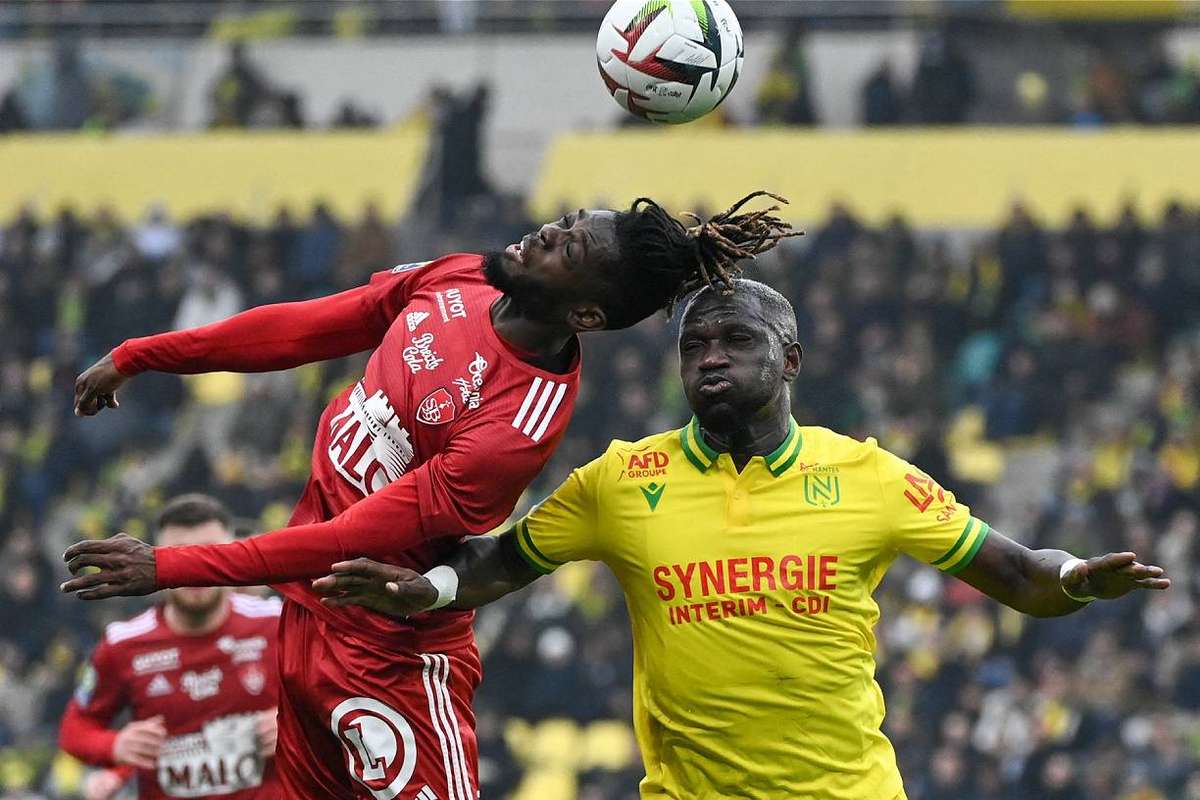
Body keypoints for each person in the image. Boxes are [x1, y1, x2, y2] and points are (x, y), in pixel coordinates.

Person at [309, 280, 1170, 800]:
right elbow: (503, 559)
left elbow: (1019, 573)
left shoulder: (867, 475)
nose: (711, 357)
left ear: (790, 360)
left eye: (736, 340)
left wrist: (1076, 579)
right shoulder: (622, 480)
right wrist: (429, 589)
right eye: (695, 346)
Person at [61, 194, 800, 800]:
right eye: (566, 222)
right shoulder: (463, 277)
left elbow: (344, 539)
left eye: (569, 250)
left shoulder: (514, 427)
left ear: (585, 316)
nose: (547, 233)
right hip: (303, 623)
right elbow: (305, 329)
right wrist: (141, 355)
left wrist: (167, 565)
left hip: (389, 656)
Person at [59, 494, 281, 799]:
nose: (195, 568)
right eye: (179, 554)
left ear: (232, 555)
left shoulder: (277, 623)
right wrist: (115, 746)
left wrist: (297, 726)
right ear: (153, 562)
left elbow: (333, 699)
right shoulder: (123, 644)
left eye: (210, 552)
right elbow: (75, 728)